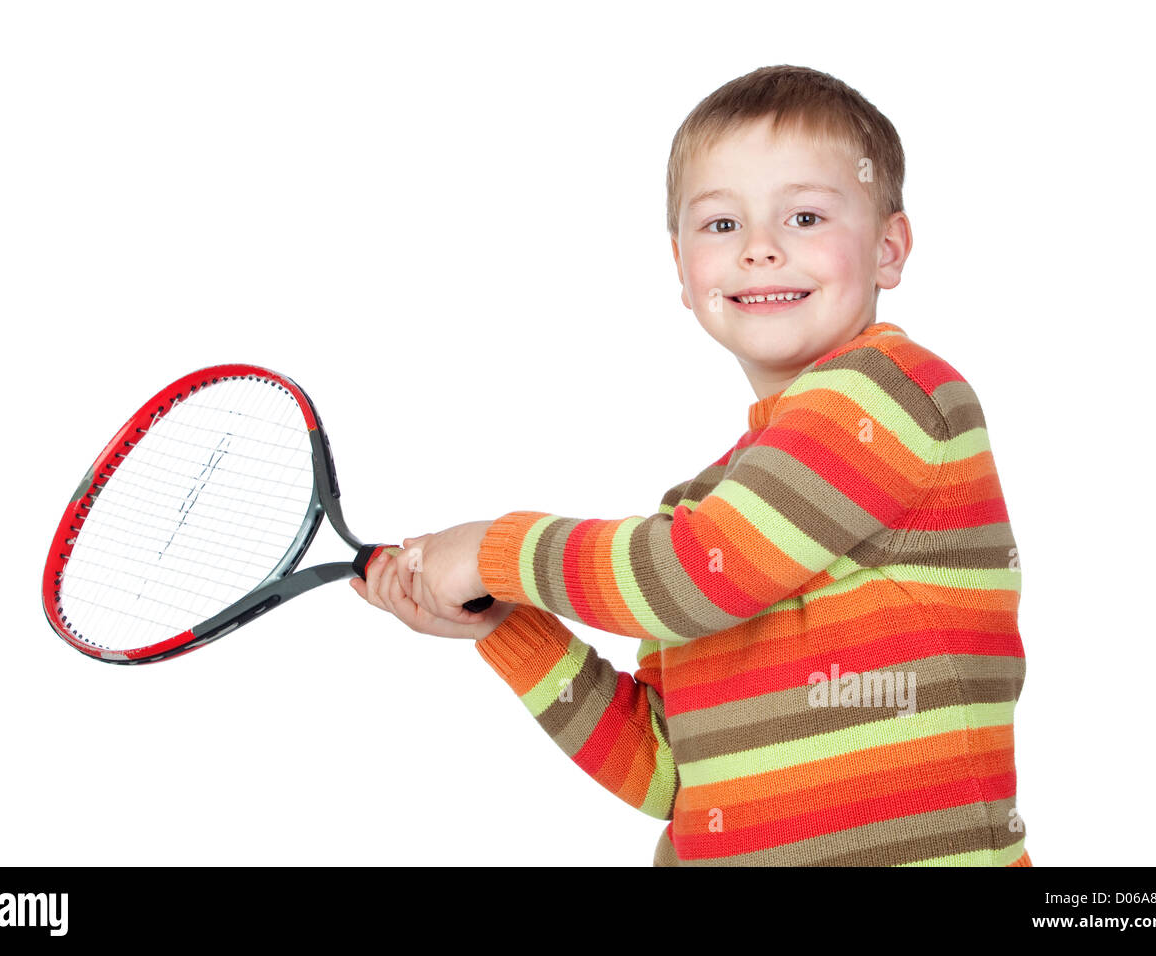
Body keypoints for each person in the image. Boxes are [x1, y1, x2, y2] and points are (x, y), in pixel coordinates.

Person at [349, 64, 1032, 867]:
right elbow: (665, 774)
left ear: (889, 248)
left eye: (805, 215)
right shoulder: (707, 505)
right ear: (681, 268)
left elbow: (690, 582)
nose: (760, 251)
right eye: (720, 226)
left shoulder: (891, 393)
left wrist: (492, 549)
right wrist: (505, 622)